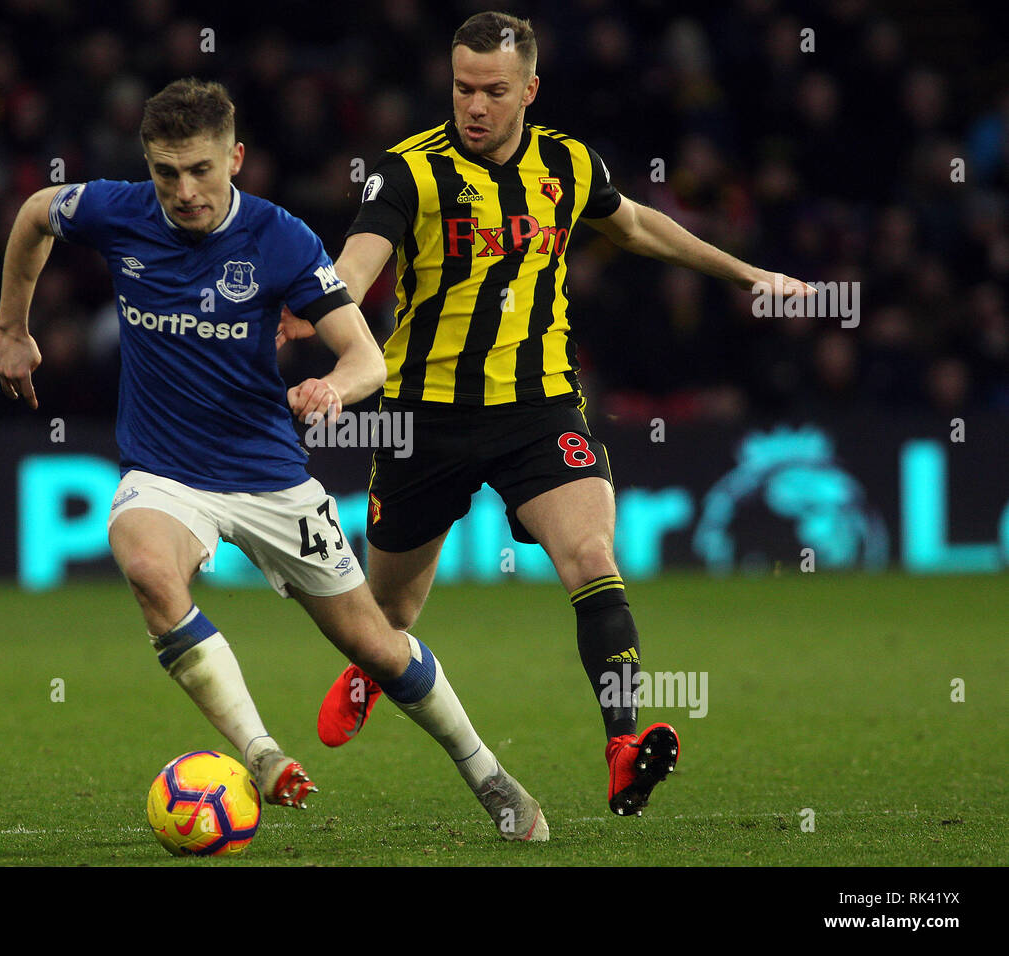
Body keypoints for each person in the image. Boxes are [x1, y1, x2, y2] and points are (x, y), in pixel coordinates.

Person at [0, 78, 549, 840]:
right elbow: (33, 213)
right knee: (147, 566)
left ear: (236, 159)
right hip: (165, 472)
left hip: (269, 477)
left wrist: (330, 388)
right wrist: (12, 329)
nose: (183, 192)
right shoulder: (118, 211)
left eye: (201, 171)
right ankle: (259, 756)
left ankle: (489, 775)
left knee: (372, 644)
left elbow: (367, 358)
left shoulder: (279, 238)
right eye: (165, 172)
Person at [297, 12, 813, 816]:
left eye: (494, 91)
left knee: (592, 557)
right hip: (422, 418)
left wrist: (747, 273)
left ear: (529, 89)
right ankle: (371, 664)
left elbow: (635, 224)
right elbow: (357, 264)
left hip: (538, 409)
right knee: (390, 612)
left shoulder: (569, 164)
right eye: (464, 88)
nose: (475, 105)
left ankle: (621, 743)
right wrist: (323, 307)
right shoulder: (407, 173)